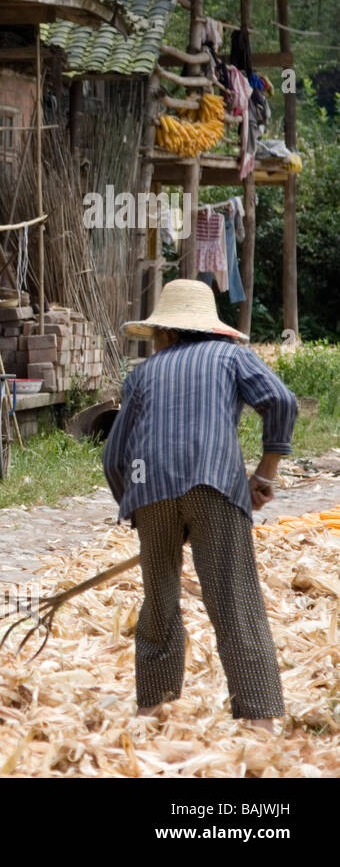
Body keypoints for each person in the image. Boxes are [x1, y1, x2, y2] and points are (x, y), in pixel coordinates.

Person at [103, 279, 296, 732]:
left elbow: (114, 457)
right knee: (234, 599)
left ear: (165, 333)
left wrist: (138, 508)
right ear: (210, 328)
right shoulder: (232, 356)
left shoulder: (142, 374)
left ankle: (152, 711)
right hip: (215, 486)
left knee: (160, 604)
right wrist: (265, 474)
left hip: (149, 489)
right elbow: (281, 402)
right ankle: (259, 720)